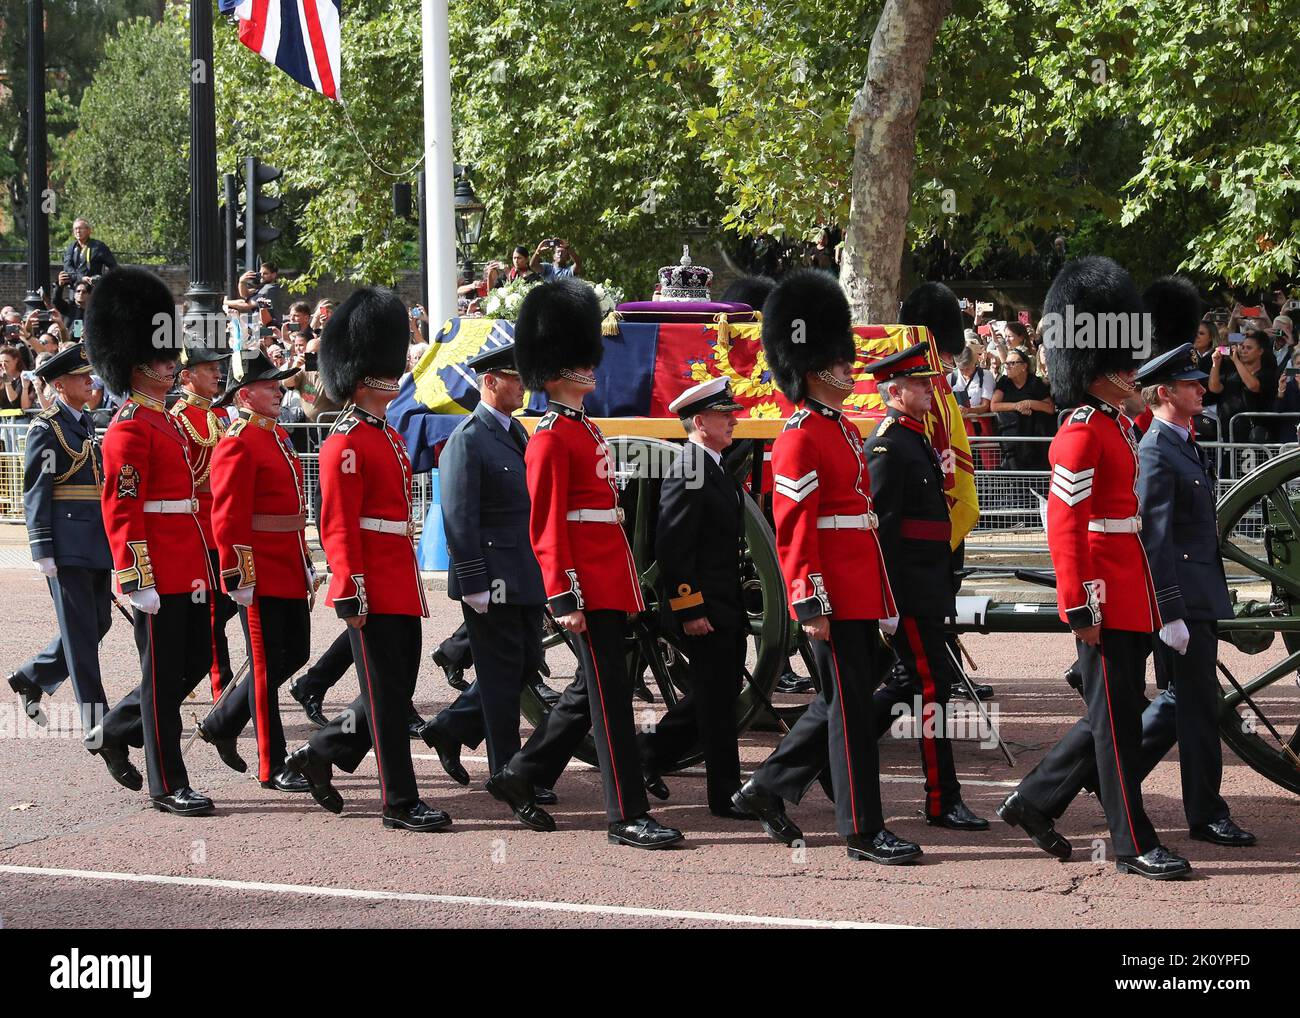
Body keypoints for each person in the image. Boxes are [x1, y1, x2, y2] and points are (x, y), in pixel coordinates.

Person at [998, 255, 1191, 880]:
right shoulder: (1081, 430)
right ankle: (1132, 841)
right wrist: (1077, 602)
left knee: (1117, 715)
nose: (1132, 374)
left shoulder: (1115, 423)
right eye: (1123, 367)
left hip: (1129, 587)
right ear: (1098, 371)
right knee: (1114, 727)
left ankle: (1034, 801)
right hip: (1102, 597)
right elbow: (1065, 527)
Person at [732, 270, 922, 865]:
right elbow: (795, 529)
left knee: (841, 705)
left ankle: (766, 788)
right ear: (815, 368)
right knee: (849, 714)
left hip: (859, 588)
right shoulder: (800, 436)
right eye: (839, 361)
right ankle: (862, 829)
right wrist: (810, 601)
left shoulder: (840, 428)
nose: (849, 368)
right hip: (832, 596)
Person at [487, 278, 683, 848]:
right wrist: (565, 595)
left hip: (609, 581)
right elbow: (546, 526)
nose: (589, 370)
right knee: (611, 704)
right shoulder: (549, 436)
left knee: (589, 693)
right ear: (553, 372)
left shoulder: (584, 428)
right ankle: (625, 814)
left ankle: (521, 776)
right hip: (586, 589)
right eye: (577, 363)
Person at [282, 286, 451, 833]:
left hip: (397, 575)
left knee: (393, 689)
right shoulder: (346, 440)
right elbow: (338, 525)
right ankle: (399, 801)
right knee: (385, 696)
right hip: (370, 582)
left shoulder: (387, 436)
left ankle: (319, 754)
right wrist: (349, 587)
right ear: (361, 377)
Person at [83, 267, 217, 816]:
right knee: (162, 679)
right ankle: (167, 782)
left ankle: (115, 728)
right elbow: (122, 505)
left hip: (185, 557)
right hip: (157, 564)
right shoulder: (130, 426)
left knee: (195, 660)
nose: (172, 365)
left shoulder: (166, 421)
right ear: (135, 364)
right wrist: (136, 576)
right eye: (162, 358)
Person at [417, 341, 558, 817]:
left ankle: (451, 728)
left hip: (523, 572)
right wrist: (474, 580)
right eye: (514, 379)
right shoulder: (468, 437)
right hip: (492, 577)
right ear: (490, 382)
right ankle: (506, 774)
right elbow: (459, 516)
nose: (523, 386)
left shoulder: (514, 430)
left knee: (522, 669)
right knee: (500, 682)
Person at [864, 344, 988, 831]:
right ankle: (941, 799)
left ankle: (804, 764)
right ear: (894, 392)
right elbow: (884, 531)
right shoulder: (888, 445)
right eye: (919, 384)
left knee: (911, 685)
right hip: (909, 593)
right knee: (933, 687)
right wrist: (887, 599)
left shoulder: (916, 438)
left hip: (927, 586)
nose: (930, 390)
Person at [197, 349, 313, 793]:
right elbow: (227, 517)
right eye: (270, 385)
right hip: (259, 568)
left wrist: (302, 559)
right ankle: (272, 763)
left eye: (279, 384)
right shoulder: (238, 440)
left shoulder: (276, 435)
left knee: (294, 654)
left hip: (285, 559)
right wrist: (238, 574)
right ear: (246, 395)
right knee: (265, 668)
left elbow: (290, 510)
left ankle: (224, 720)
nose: (278, 391)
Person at [637, 377, 753, 819]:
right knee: (717, 702)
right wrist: (690, 609)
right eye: (725, 415)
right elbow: (673, 546)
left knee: (715, 696)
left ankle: (650, 754)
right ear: (700, 421)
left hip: (724, 604)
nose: (733, 420)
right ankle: (724, 796)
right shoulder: (690, 466)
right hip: (704, 608)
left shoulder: (714, 464)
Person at [7, 343, 114, 738]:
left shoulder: (83, 421)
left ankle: (31, 676)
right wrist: (42, 549)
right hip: (67, 543)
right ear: (58, 384)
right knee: (82, 633)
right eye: (81, 376)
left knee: (97, 623)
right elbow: (36, 488)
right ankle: (96, 720)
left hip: (95, 540)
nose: (90, 381)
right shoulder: (46, 427)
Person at [170, 341, 238, 703]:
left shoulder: (215, 416)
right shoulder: (178, 417)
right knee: (213, 611)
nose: (217, 373)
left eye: (218, 367)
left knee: (223, 606)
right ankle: (219, 684)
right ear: (187, 376)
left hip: (220, 523)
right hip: (198, 525)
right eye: (209, 368)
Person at [1209, 329, 1276, 446]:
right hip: (1228, 430)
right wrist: (1216, 364)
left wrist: (1235, 360)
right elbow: (1215, 388)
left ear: (1260, 351)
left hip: (1255, 434)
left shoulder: (1267, 373)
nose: (1243, 351)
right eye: (1241, 347)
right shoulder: (1231, 371)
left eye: (1249, 348)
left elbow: (1253, 386)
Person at [991, 348, 1054, 470]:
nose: (1008, 366)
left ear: (1024, 366)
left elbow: (1050, 408)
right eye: (1006, 363)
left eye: (1012, 363)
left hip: (1035, 438)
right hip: (1012, 438)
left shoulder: (1035, 382)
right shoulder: (1004, 382)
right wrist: (1017, 406)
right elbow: (994, 405)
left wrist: (1030, 403)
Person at [60, 218, 117, 286]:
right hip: (76, 289)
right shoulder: (71, 247)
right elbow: (67, 268)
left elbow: (114, 267)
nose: (78, 231)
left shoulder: (98, 246)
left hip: (93, 288)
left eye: (81, 228)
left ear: (89, 231)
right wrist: (81, 278)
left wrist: (103, 280)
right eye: (75, 229)